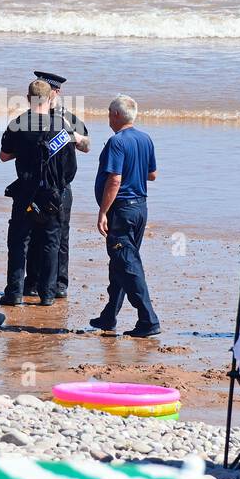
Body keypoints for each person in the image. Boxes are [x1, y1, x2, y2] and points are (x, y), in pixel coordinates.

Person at [0, 79, 81, 307]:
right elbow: (70, 168)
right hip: (52, 194)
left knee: (18, 243)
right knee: (51, 243)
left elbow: (4, 156)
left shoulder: (17, 124)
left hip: (25, 192)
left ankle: (14, 293)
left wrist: (28, 153)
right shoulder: (63, 127)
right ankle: (47, 294)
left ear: (28, 98)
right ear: (50, 98)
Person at [89, 95, 159, 336]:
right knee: (120, 262)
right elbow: (152, 174)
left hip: (122, 210)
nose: (108, 116)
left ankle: (148, 320)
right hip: (140, 208)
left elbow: (115, 179)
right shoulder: (145, 139)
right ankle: (109, 316)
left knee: (128, 264)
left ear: (117, 115)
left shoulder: (116, 142)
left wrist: (103, 212)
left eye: (109, 112)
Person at [23, 71, 90, 299]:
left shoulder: (67, 118)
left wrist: (71, 137)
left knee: (60, 236)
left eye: (45, 87)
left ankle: (59, 284)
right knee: (32, 234)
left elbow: (87, 145)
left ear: (56, 92)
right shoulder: (28, 117)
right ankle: (31, 281)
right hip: (33, 185)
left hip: (59, 186)